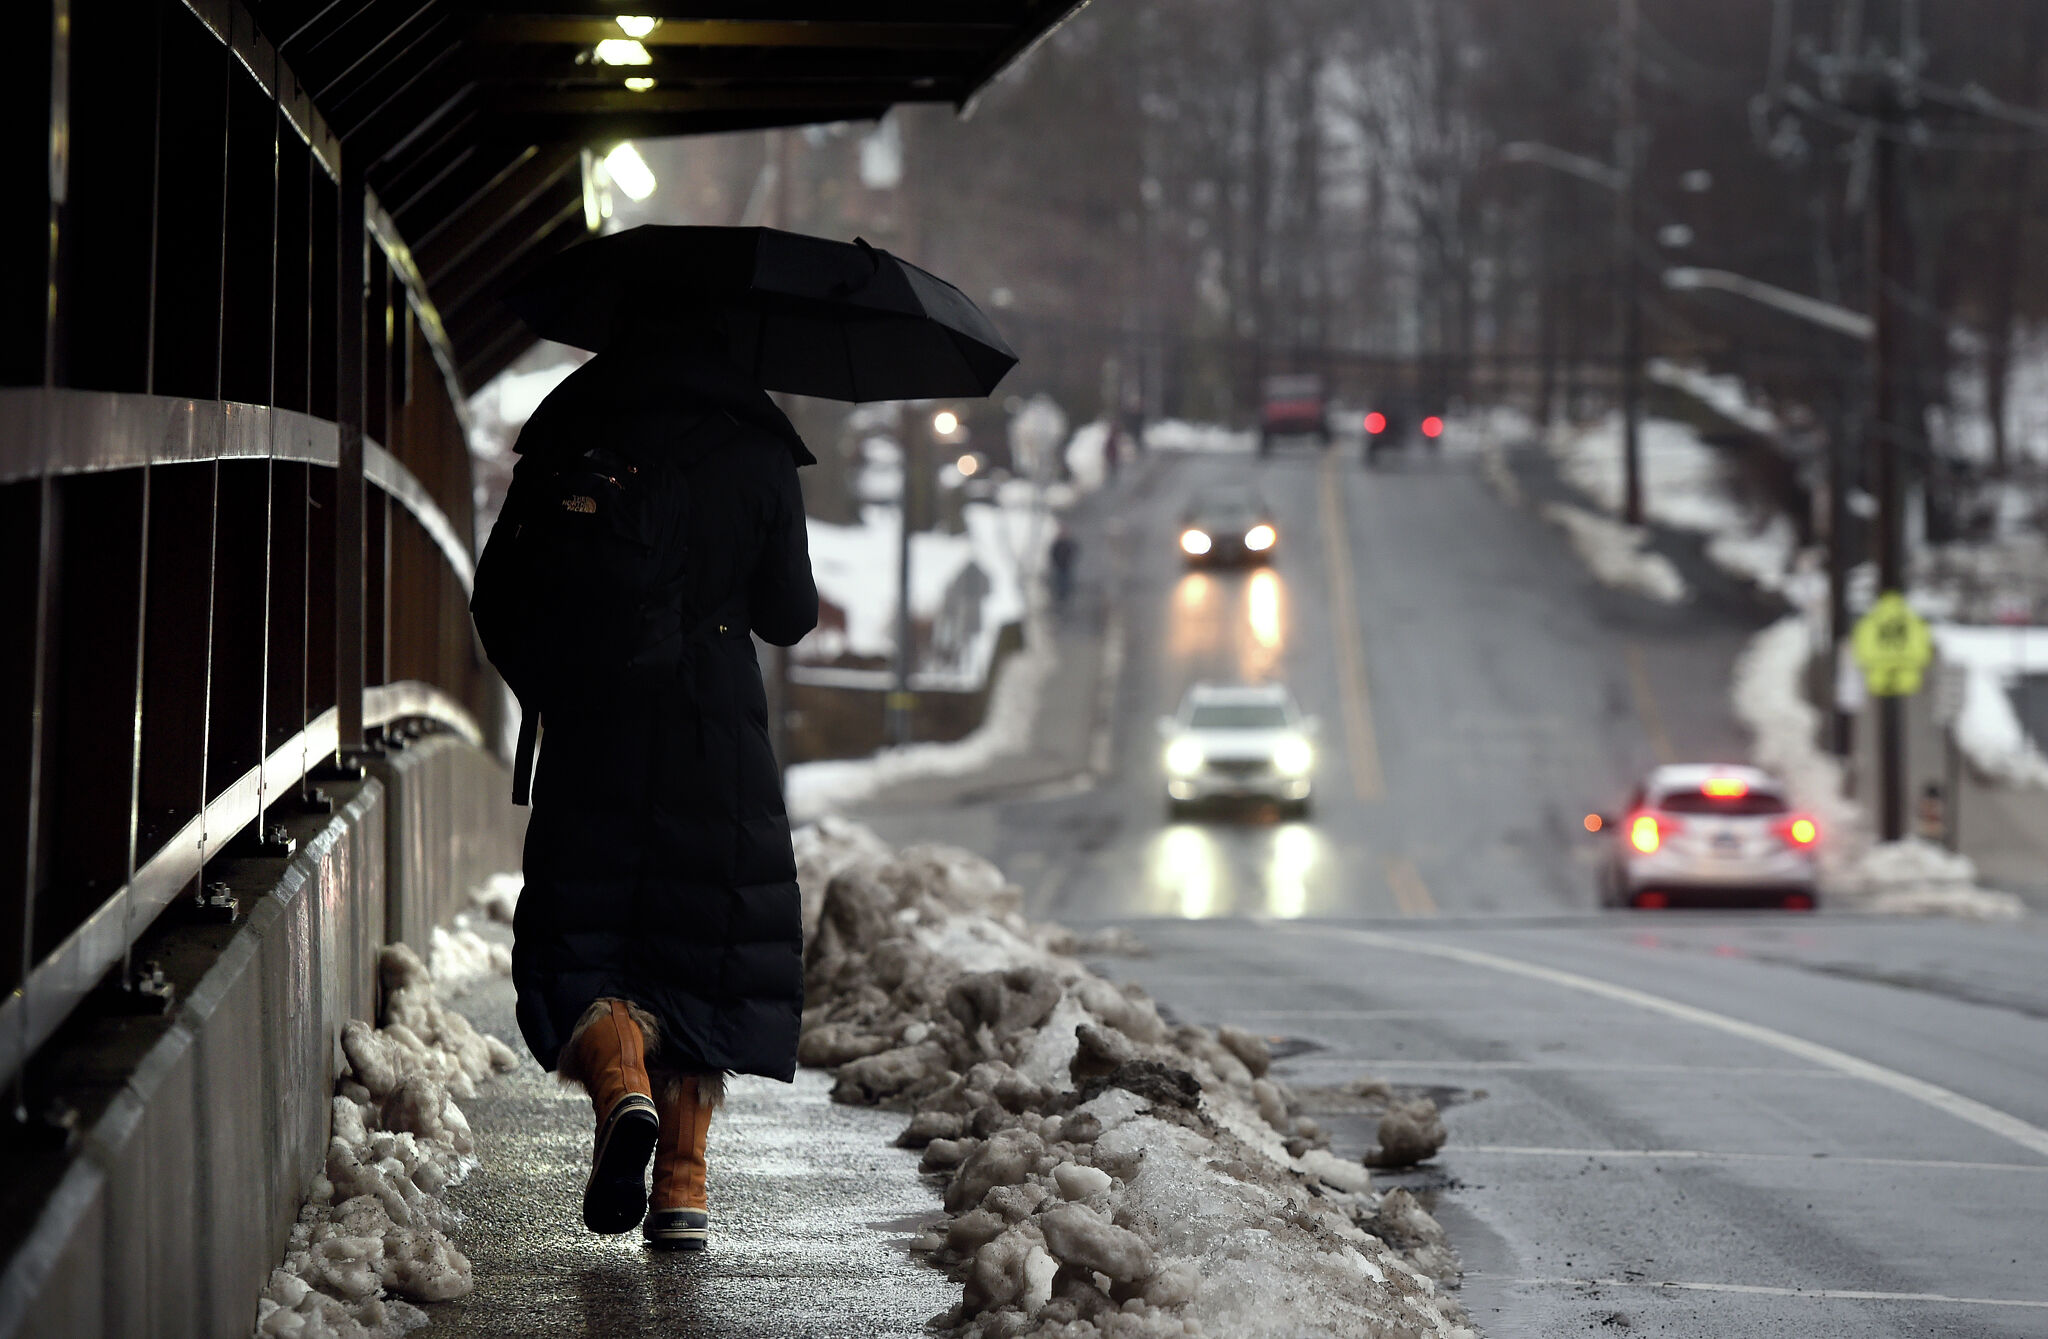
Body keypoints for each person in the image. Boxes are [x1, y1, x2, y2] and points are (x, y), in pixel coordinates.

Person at [472, 312, 818, 1251]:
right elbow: (790, 616)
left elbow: (496, 595)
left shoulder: (567, 436)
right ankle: (682, 1189)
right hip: (717, 737)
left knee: (581, 940)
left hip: (593, 730)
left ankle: (622, 1081)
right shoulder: (756, 447)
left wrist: (557, 683)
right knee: (702, 947)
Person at [1048, 524, 1079, 609]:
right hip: (1059, 567)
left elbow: (1074, 552)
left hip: (1067, 567)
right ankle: (1060, 599)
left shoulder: (1069, 543)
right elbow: (1053, 553)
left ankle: (1067, 598)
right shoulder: (1057, 543)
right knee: (1059, 583)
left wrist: (1070, 561)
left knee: (1067, 583)